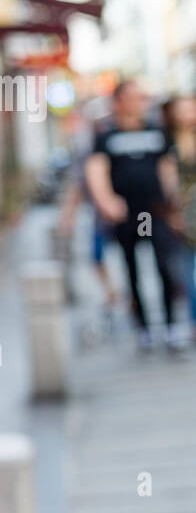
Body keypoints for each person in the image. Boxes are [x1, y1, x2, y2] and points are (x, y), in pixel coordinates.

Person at [85, 79, 186, 352]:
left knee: (165, 266)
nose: (137, 102)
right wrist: (107, 202)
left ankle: (170, 327)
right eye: (131, 97)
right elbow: (96, 170)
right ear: (118, 101)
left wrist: (173, 203)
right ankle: (143, 329)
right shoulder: (107, 136)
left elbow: (168, 168)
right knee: (133, 270)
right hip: (127, 214)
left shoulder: (157, 131)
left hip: (155, 211)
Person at [56, 100, 120, 325]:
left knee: (130, 254)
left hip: (125, 212)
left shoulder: (117, 144)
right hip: (100, 216)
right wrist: (67, 218)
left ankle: (127, 294)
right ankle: (112, 291)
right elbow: (76, 186)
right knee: (97, 255)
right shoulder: (86, 152)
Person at [160, 93, 196, 338]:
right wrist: (173, 213)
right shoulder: (169, 143)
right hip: (186, 216)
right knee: (187, 272)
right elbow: (168, 183)